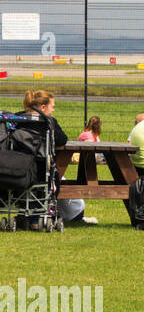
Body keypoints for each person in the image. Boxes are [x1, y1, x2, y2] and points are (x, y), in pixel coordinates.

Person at [19, 90, 96, 226]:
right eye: (52, 107)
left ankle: (24, 214)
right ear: (43, 107)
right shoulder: (49, 122)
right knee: (52, 179)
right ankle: (40, 216)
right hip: (41, 169)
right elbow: (62, 140)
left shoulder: (16, 119)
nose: (53, 110)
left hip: (17, 168)